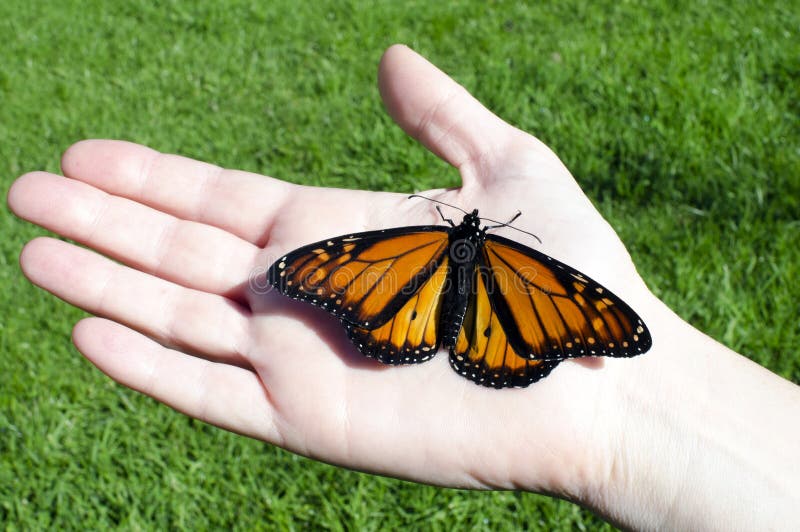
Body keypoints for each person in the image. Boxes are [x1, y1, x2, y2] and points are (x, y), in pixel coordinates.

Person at [7, 44, 799, 530]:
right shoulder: (523, 270)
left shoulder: (407, 249)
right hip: (492, 330)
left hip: (416, 311)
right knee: (469, 319)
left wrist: (637, 411)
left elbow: (361, 266)